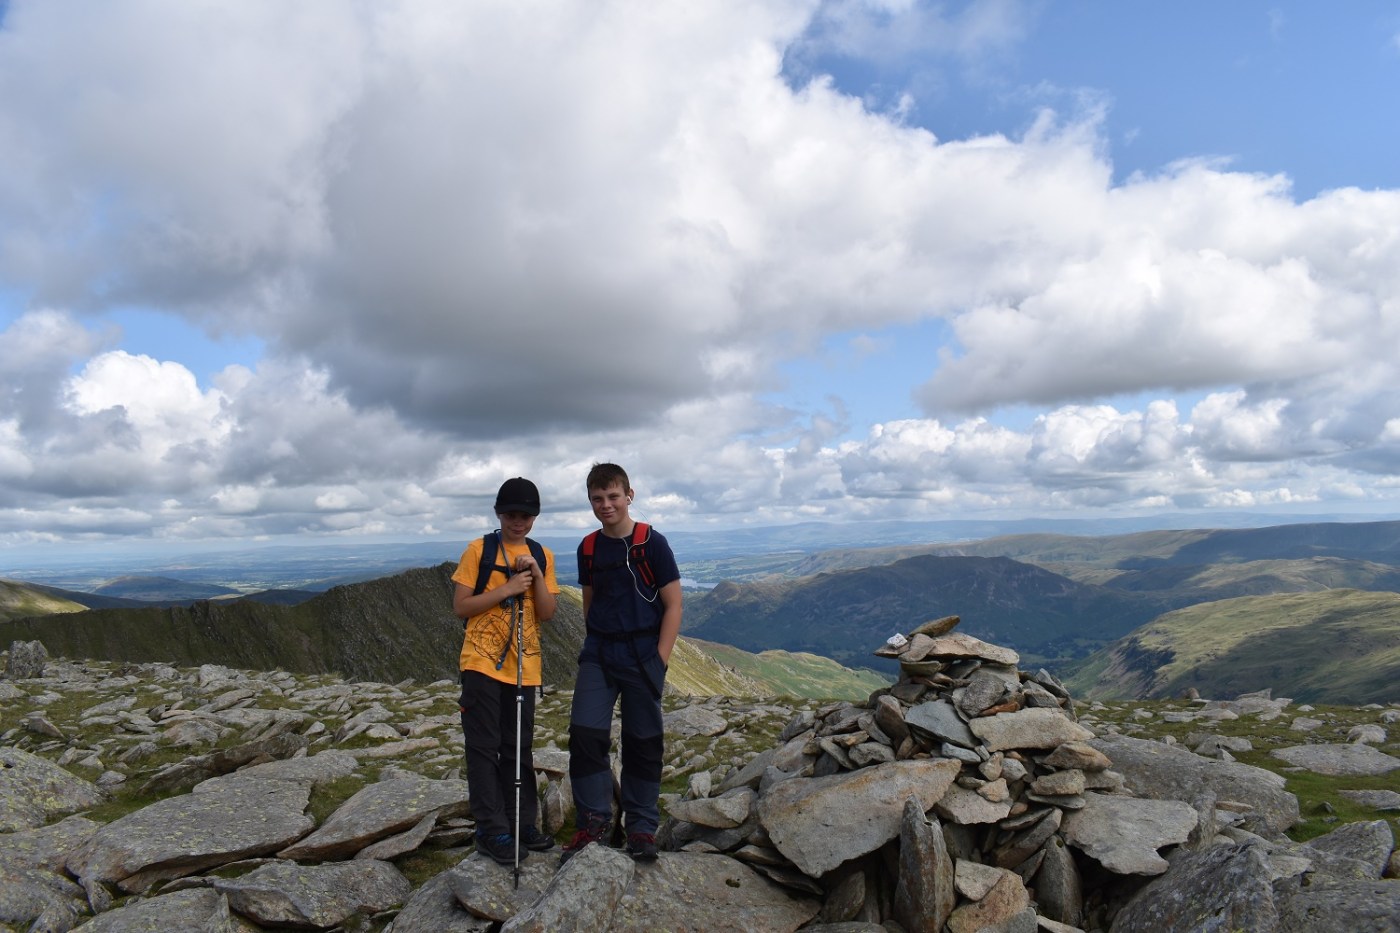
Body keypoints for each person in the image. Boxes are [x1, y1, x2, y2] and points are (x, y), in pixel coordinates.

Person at [561, 463, 683, 863]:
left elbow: (673, 605)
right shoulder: (589, 547)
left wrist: (660, 661)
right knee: (585, 736)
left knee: (643, 744)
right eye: (598, 499)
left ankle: (641, 827)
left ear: (629, 495)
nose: (605, 505)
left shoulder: (652, 543)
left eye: (613, 496)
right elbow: (590, 602)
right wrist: (596, 640)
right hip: (600, 653)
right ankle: (594, 821)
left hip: (643, 654)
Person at [452, 477, 560, 867]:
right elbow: (462, 606)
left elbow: (546, 613)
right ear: (499, 513)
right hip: (481, 664)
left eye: (527, 515)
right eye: (513, 514)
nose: (520, 521)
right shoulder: (478, 551)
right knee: (483, 748)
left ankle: (521, 824)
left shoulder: (542, 555)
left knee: (519, 748)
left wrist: (532, 577)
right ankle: (491, 829)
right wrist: (509, 587)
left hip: (525, 668)